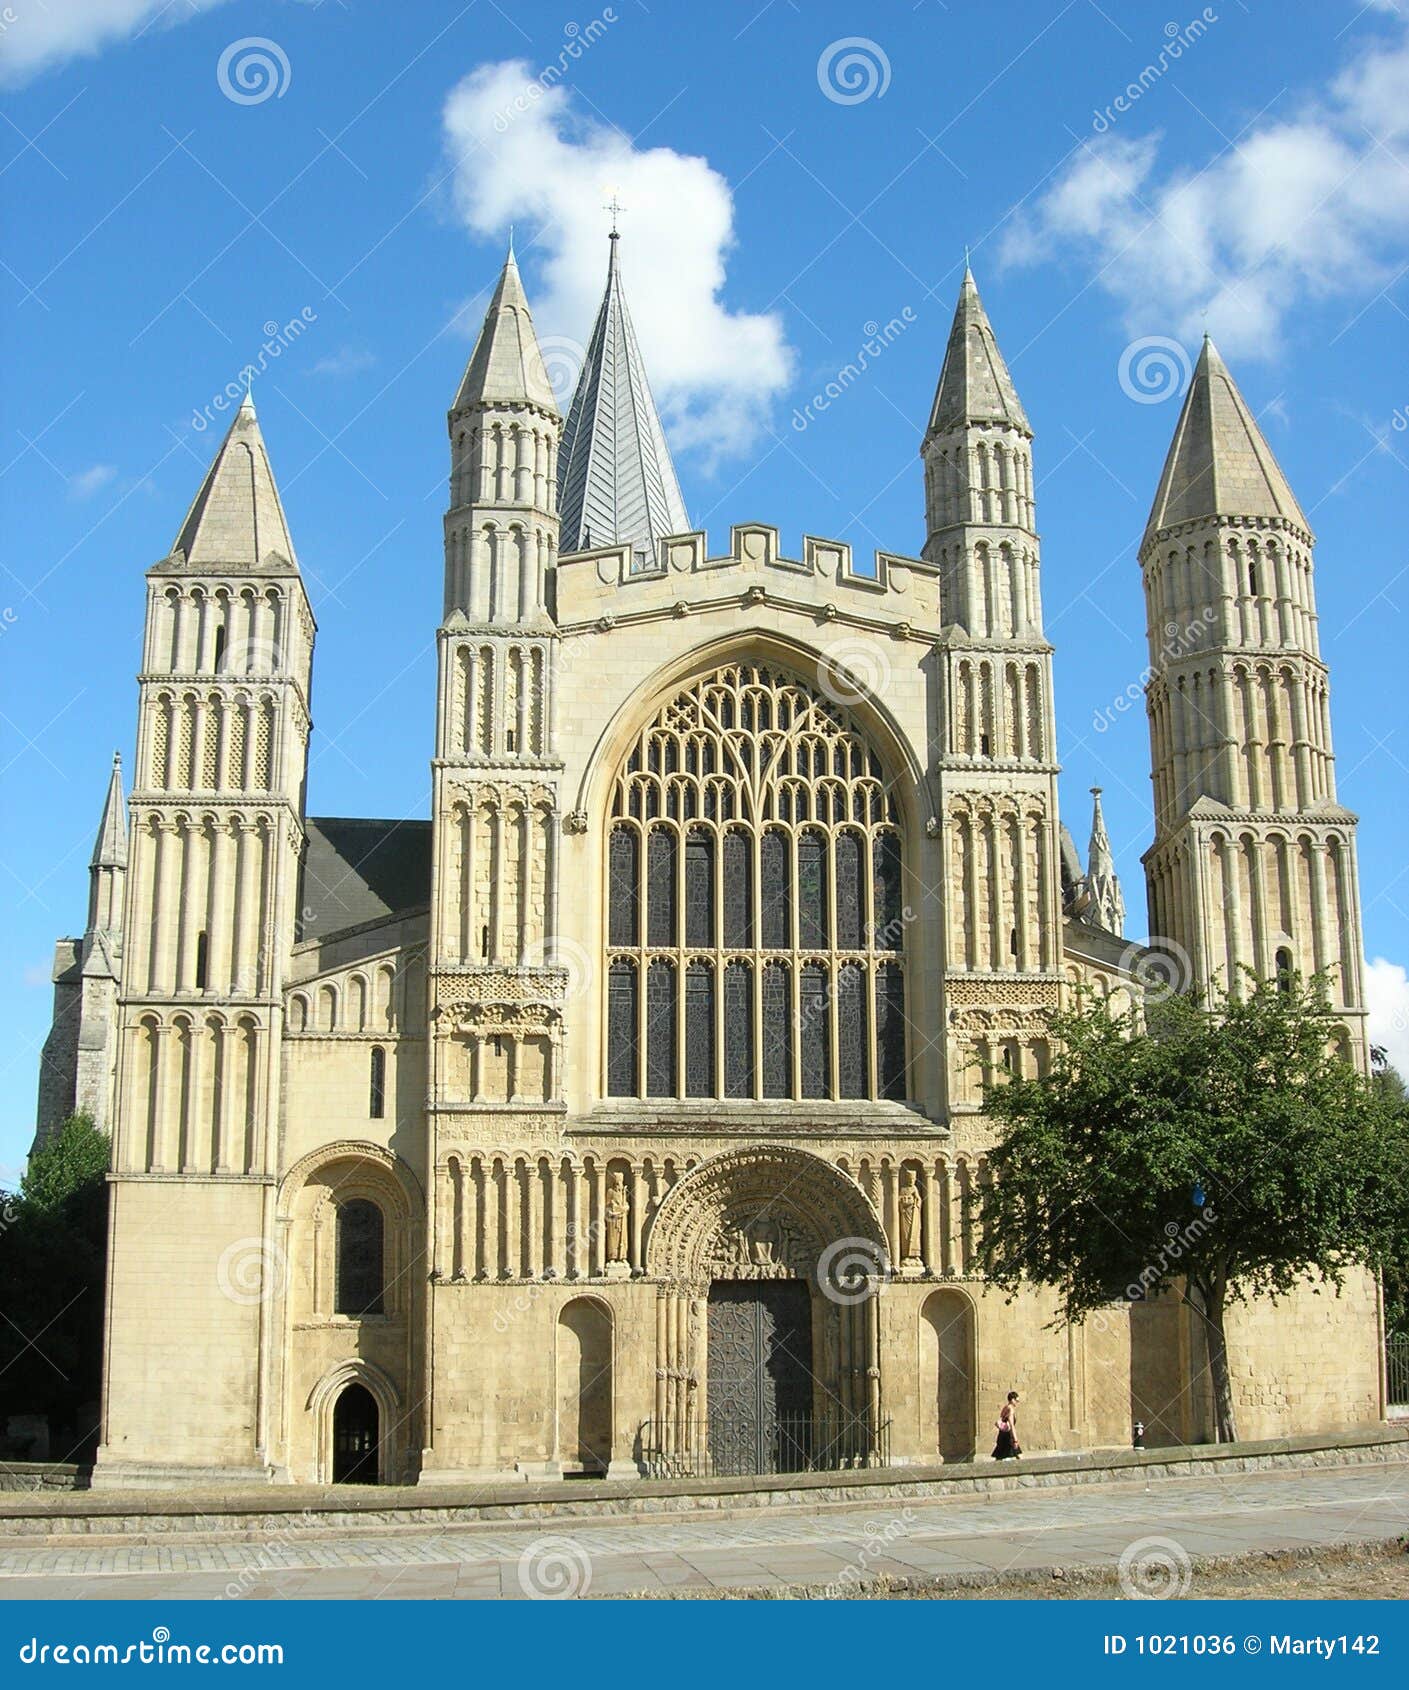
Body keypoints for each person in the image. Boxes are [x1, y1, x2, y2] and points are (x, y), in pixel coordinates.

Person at [992, 1390, 1022, 1460]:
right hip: (1008, 1437)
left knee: (1000, 1457)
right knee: (1019, 1456)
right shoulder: (1011, 1409)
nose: (1017, 1403)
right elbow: (1011, 1425)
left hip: (1002, 1435)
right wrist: (1015, 1440)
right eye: (1017, 1401)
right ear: (1012, 1400)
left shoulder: (1005, 1408)